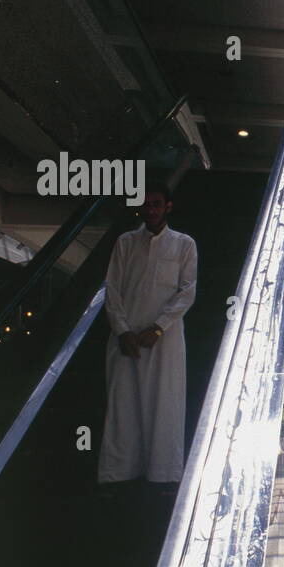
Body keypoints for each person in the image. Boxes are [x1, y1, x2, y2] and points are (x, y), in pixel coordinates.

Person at [99, 184, 197, 494]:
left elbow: (187, 292)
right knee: (122, 403)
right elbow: (112, 289)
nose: (151, 209)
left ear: (168, 206)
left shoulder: (184, 244)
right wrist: (123, 330)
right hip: (125, 336)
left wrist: (158, 327)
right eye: (146, 205)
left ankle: (164, 473)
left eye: (157, 204)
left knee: (165, 402)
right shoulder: (125, 243)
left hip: (165, 339)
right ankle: (118, 472)